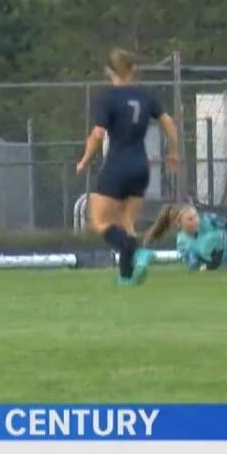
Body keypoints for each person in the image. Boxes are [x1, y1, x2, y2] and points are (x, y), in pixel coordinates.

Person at [76, 49, 179, 286]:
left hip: (117, 165)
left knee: (99, 221)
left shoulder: (107, 97)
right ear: (133, 69)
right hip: (141, 166)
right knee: (127, 223)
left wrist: (85, 160)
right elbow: (169, 123)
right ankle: (126, 277)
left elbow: (98, 134)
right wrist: (173, 152)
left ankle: (138, 252)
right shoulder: (145, 96)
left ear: (108, 71)